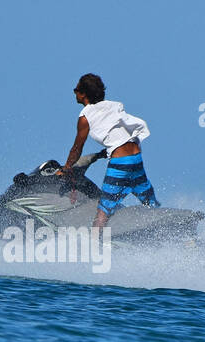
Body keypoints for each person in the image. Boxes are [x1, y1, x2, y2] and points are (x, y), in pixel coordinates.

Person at [60, 73, 160, 230]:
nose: (74, 93)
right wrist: (102, 153)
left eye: (76, 89)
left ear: (83, 93)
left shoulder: (85, 116)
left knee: (103, 210)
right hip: (136, 158)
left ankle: (93, 248)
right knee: (150, 203)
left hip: (120, 164)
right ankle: (168, 233)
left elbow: (77, 148)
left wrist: (66, 168)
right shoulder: (113, 105)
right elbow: (119, 134)